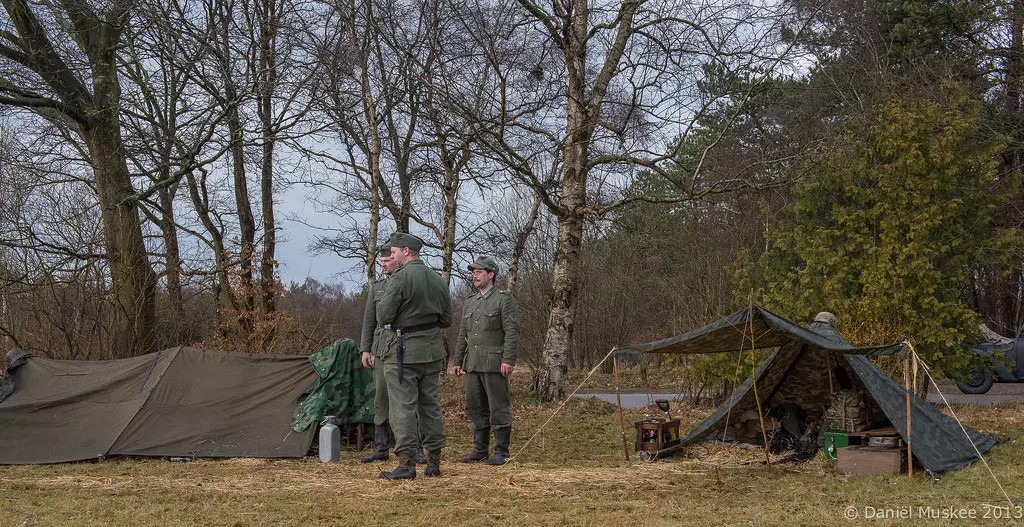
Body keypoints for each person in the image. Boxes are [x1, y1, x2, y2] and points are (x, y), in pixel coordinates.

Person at [375, 232, 452, 479]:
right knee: (430, 405)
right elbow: (447, 319)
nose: (392, 255)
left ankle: (406, 464)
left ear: (406, 252)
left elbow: (384, 316)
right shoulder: (437, 280)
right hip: (431, 353)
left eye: (394, 251)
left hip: (403, 353)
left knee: (402, 407)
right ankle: (434, 462)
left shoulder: (399, 279)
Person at [359, 244, 427, 464]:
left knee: (407, 399)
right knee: (381, 399)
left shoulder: (409, 282)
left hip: (404, 346)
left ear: (396, 259)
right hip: (381, 349)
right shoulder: (377, 287)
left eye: (387, 261)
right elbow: (369, 320)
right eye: (381, 263)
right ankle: (380, 447)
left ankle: (414, 448)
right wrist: (365, 349)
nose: (384, 266)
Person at [451, 256, 520, 466]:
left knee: (498, 407)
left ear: (491, 274)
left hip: (494, 363)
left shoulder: (503, 299)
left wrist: (508, 359)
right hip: (472, 364)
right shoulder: (470, 302)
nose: (475, 275)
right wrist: (457, 360)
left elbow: (512, 332)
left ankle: (501, 451)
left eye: (479, 271)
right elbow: (464, 332)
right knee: (475, 408)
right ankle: (480, 449)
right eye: (473, 272)